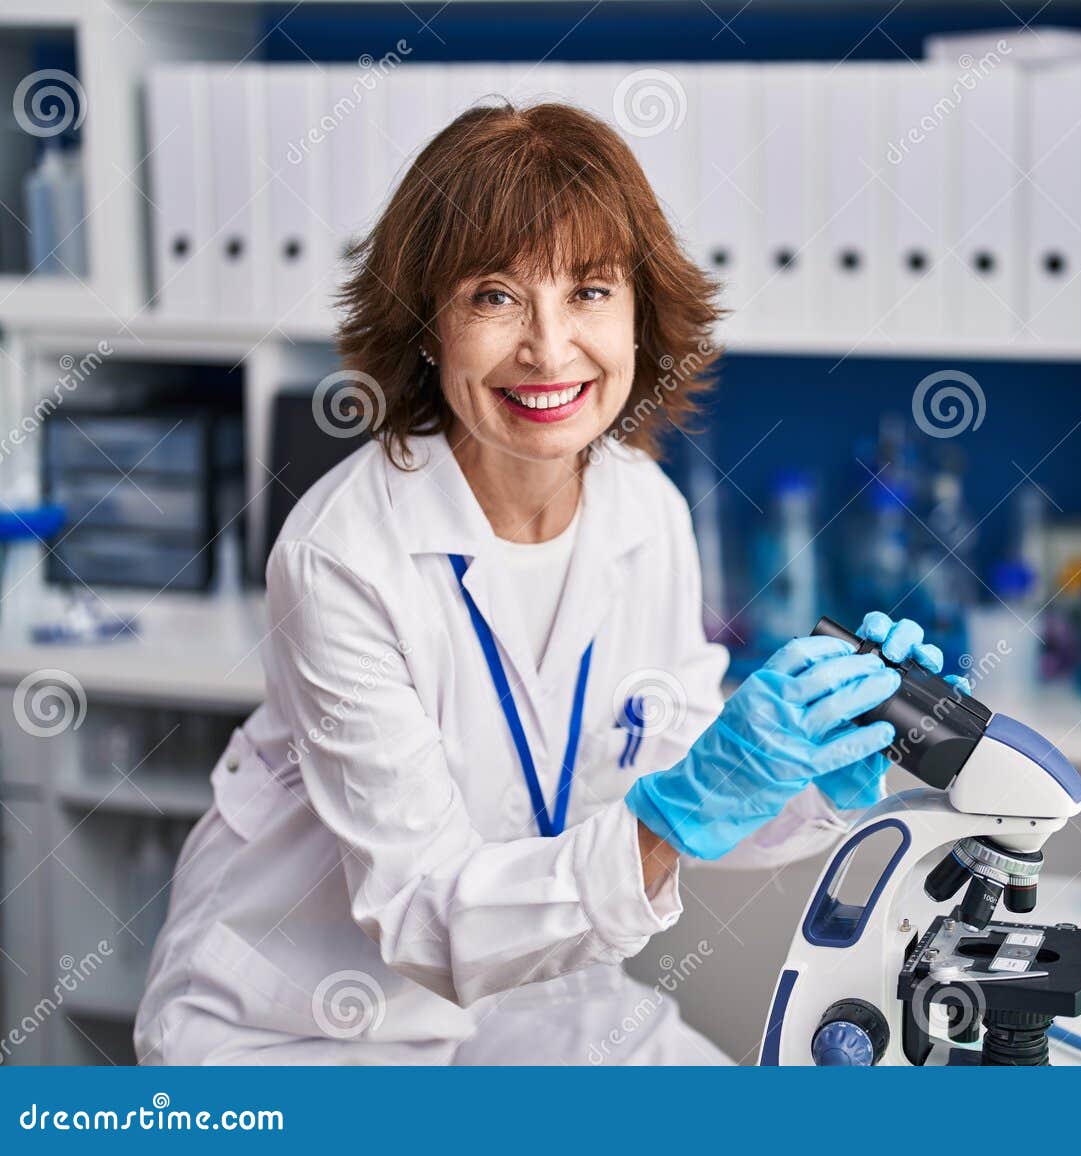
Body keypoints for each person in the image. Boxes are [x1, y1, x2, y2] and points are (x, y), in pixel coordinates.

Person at [133, 101, 961, 1064]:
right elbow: (429, 917)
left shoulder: (643, 508)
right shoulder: (341, 559)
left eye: (590, 291)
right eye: (493, 296)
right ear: (427, 326)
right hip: (302, 1032)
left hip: (534, 998)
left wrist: (800, 767)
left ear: (640, 312)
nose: (549, 348)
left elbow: (684, 780)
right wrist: (685, 802)